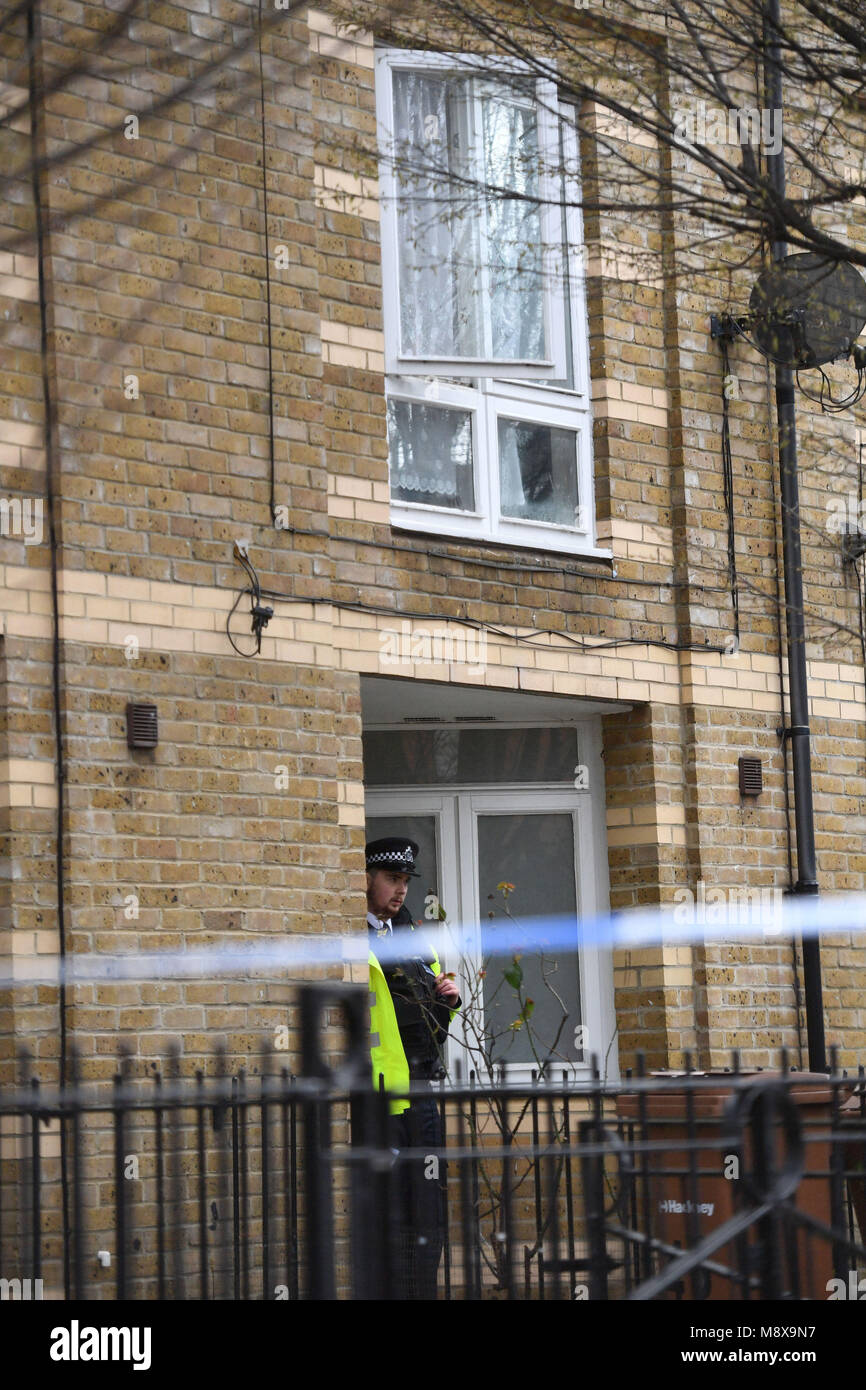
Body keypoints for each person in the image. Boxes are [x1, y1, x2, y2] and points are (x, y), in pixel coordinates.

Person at [365, 836, 460, 1299]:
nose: (400, 891)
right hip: (380, 1099)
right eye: (391, 879)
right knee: (388, 1213)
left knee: (428, 1213)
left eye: (404, 881)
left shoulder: (413, 937)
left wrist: (449, 1002)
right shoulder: (353, 938)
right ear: (365, 879)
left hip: (422, 1094)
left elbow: (431, 1024)